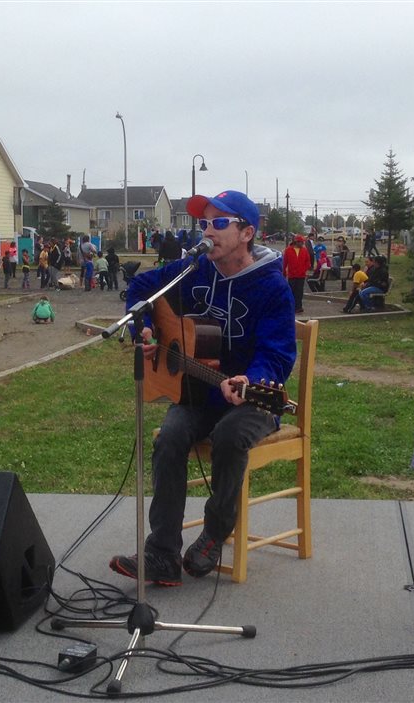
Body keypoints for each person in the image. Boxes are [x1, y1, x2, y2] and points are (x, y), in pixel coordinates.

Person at [109, 189, 296, 586]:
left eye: (219, 223)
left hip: (252, 399)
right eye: (204, 223)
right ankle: (161, 554)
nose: (208, 231)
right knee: (170, 437)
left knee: (229, 436)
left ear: (246, 233)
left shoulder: (272, 288)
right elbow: (142, 288)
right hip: (198, 392)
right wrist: (141, 324)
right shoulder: (195, 270)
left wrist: (251, 379)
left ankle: (214, 533)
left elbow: (277, 355)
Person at [282, 235, 310, 314]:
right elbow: (284, 263)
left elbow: (308, 262)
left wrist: (304, 270)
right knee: (291, 291)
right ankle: (291, 307)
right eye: (301, 242)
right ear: (296, 242)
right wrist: (283, 273)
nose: (302, 244)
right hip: (292, 275)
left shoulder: (304, 250)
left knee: (299, 292)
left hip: (301, 275)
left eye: (303, 242)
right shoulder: (288, 250)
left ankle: (299, 307)